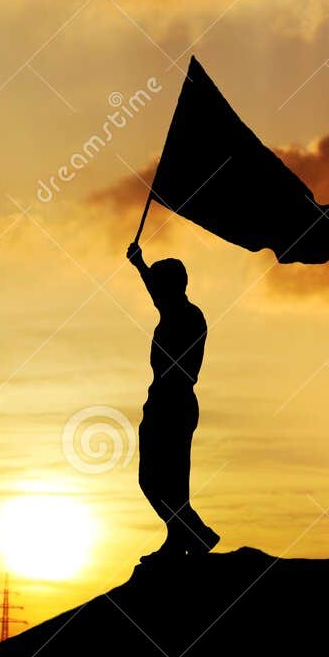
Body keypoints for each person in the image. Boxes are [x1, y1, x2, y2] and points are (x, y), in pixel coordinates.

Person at [127, 241, 220, 562]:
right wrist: (140, 265)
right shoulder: (174, 310)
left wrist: (141, 266)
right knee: (152, 478)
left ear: (174, 286)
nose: (157, 291)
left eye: (160, 282)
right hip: (162, 402)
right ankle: (181, 535)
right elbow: (156, 294)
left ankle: (193, 535)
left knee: (169, 480)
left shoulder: (188, 316)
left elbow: (159, 296)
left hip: (175, 403)